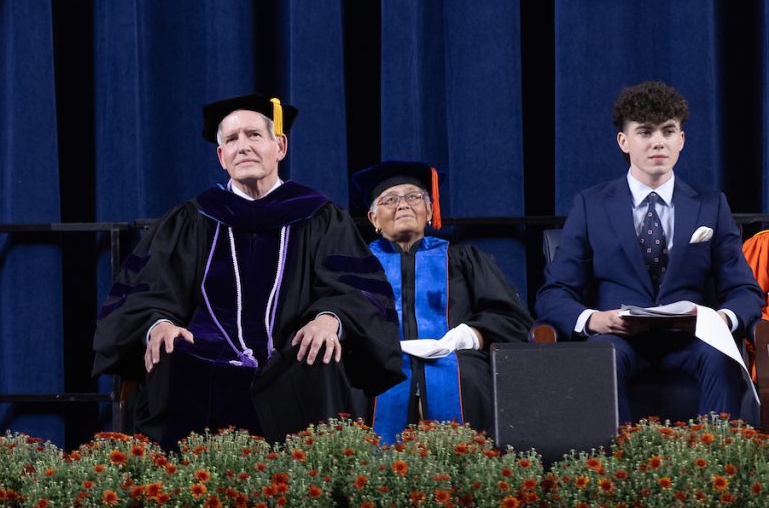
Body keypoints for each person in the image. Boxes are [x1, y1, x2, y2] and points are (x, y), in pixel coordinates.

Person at [93, 94, 402, 444]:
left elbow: (358, 291)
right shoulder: (191, 220)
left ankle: (309, 476)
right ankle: (182, 480)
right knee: (169, 355)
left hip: (293, 359)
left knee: (320, 356)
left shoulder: (320, 217)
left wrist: (330, 318)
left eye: (254, 135)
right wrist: (158, 324)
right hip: (202, 363)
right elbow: (146, 291)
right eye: (231, 139)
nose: (243, 147)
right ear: (221, 156)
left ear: (280, 146)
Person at [536, 80, 761, 421]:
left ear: (681, 140)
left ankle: (716, 453)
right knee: (602, 358)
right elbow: (553, 293)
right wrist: (595, 320)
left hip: (690, 339)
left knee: (721, 356)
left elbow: (744, 290)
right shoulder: (590, 205)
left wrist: (721, 320)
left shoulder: (711, 206)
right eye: (645, 132)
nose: (658, 141)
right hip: (618, 339)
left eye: (668, 131)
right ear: (624, 141)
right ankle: (618, 456)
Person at [352, 160, 532, 442]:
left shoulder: (464, 260)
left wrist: (466, 336)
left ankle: (466, 466)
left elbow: (513, 319)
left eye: (413, 196)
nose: (403, 205)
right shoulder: (353, 267)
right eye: (390, 200)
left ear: (430, 211)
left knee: (469, 377)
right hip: (376, 365)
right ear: (373, 218)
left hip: (456, 364)